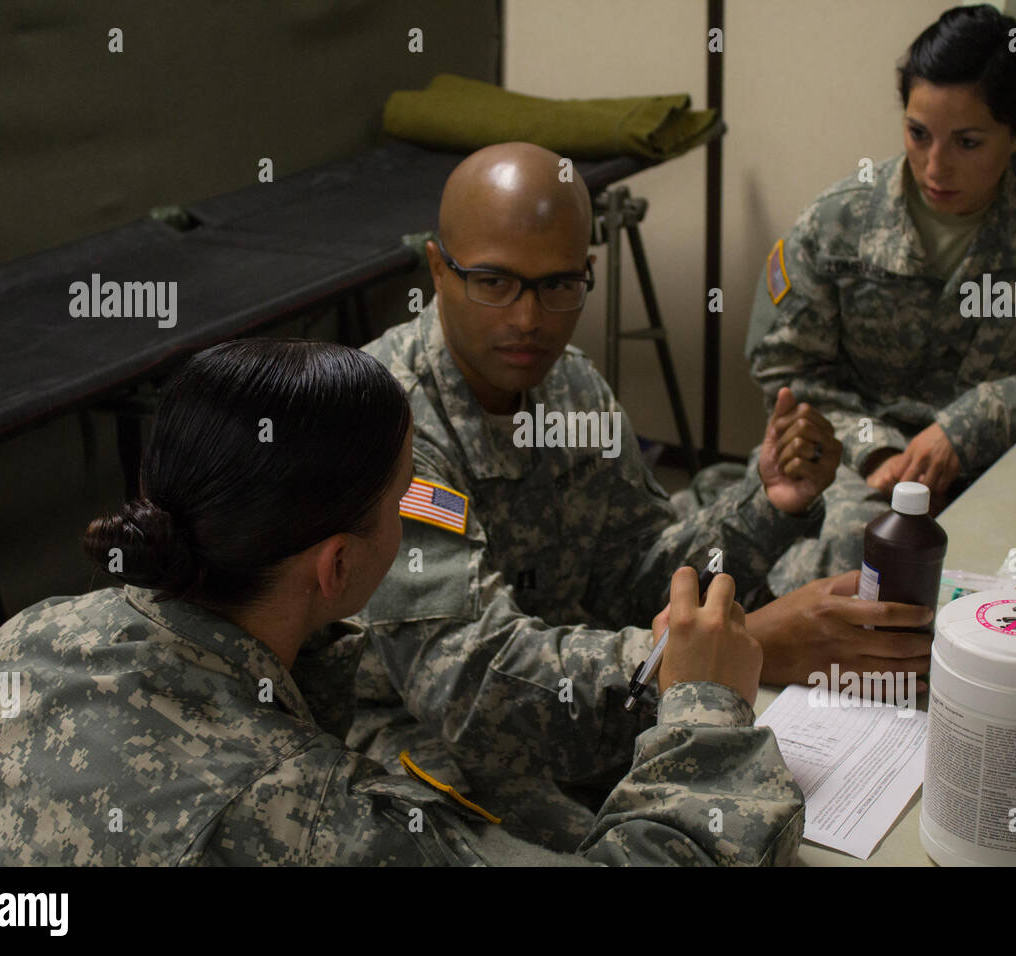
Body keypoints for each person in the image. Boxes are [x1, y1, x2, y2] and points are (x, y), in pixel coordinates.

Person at [0, 339, 803, 866]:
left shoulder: (39, 633)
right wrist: (705, 714)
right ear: (338, 566)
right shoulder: (297, 807)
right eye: (406, 495)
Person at [350, 141, 933, 851]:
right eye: (495, 282)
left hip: (592, 693)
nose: (529, 319)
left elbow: (639, 570)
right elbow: (469, 686)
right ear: (439, 268)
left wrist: (766, 507)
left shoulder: (571, 386)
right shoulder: (385, 417)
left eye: (558, 284)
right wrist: (738, 654)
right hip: (436, 736)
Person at [745, 4, 1016, 597]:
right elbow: (788, 374)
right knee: (854, 567)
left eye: (968, 142)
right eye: (918, 134)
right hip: (856, 460)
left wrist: (977, 419)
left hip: (1008, 454)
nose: (935, 166)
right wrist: (876, 452)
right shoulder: (838, 223)